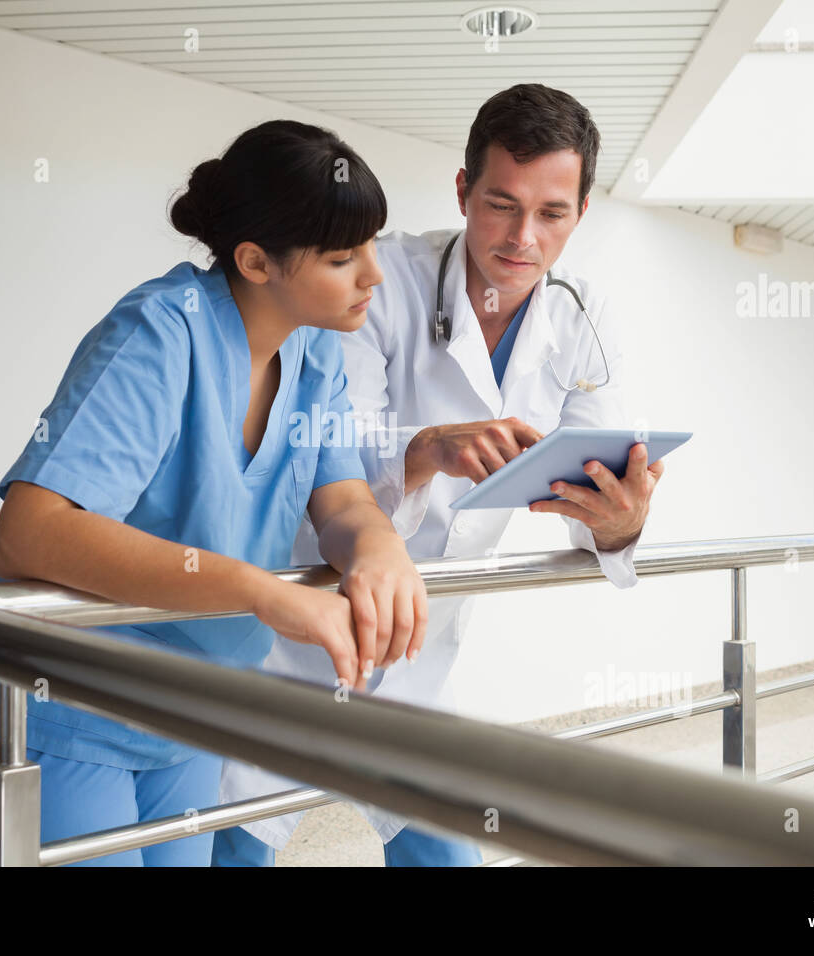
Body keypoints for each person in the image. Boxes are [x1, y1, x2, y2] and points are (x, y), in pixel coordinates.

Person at [213, 85, 666, 867]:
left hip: (421, 640)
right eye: (500, 204)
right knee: (234, 845)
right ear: (462, 190)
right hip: (299, 618)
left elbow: (601, 485)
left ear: (581, 213)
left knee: (448, 856)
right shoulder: (375, 279)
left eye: (552, 213)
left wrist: (621, 521)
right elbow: (333, 452)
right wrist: (424, 450)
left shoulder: (581, 316)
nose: (523, 237)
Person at [0, 119, 430, 866]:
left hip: (190, 705)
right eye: (343, 257)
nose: (374, 274)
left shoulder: (315, 351)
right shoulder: (158, 334)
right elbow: (34, 531)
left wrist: (378, 549)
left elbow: (340, 501)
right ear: (255, 261)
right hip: (73, 702)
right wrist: (257, 591)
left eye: (372, 246)